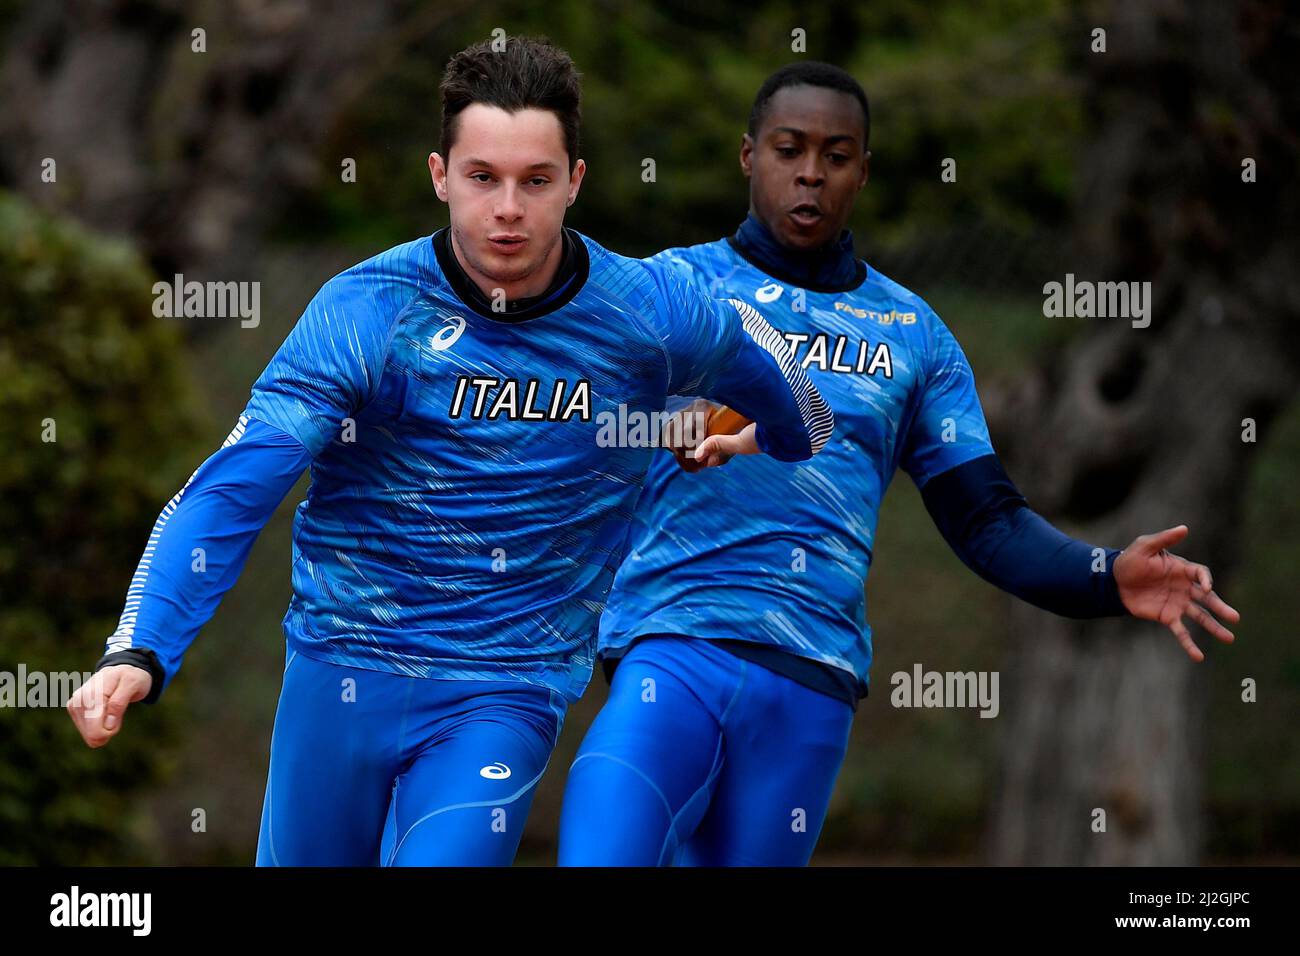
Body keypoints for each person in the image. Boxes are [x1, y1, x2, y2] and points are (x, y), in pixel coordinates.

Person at [64, 38, 832, 867]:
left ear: (575, 181)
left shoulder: (653, 312)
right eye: (482, 178)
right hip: (340, 669)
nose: (508, 209)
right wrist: (141, 647)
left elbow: (806, 409)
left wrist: (758, 432)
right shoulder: (369, 313)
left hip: (506, 686)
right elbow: (234, 488)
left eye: (536, 181)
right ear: (440, 176)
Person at [557, 61, 1239, 867]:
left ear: (864, 172)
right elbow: (573, 430)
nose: (811, 173)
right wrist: (655, 425)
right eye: (789, 149)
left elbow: (986, 520)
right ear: (749, 156)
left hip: (809, 679)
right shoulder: (670, 290)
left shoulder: (914, 336)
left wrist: (1105, 575)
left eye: (836, 155)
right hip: (673, 644)